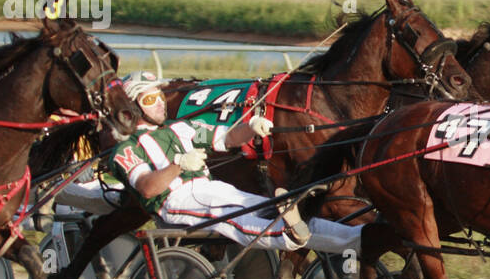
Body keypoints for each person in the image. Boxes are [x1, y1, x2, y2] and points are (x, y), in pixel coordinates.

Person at [109, 72, 361, 257]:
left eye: (160, 96)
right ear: (133, 106)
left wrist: (251, 128)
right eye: (150, 99)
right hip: (176, 202)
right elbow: (146, 188)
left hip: (211, 190)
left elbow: (227, 137)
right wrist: (178, 165)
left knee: (268, 208)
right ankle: (288, 235)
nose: (161, 102)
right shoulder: (126, 149)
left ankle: (356, 238)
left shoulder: (181, 128)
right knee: (233, 217)